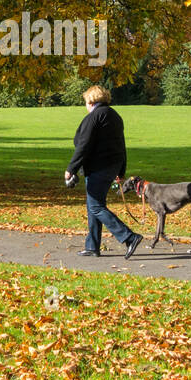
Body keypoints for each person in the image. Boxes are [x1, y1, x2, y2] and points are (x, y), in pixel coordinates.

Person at [65, 85, 143, 257]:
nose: (85, 105)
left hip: (98, 167)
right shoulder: (115, 116)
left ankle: (129, 237)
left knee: (95, 206)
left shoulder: (94, 117)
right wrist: (121, 170)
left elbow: (83, 145)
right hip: (112, 165)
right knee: (93, 205)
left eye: (85, 102)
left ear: (91, 101)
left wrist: (71, 169)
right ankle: (92, 246)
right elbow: (121, 145)